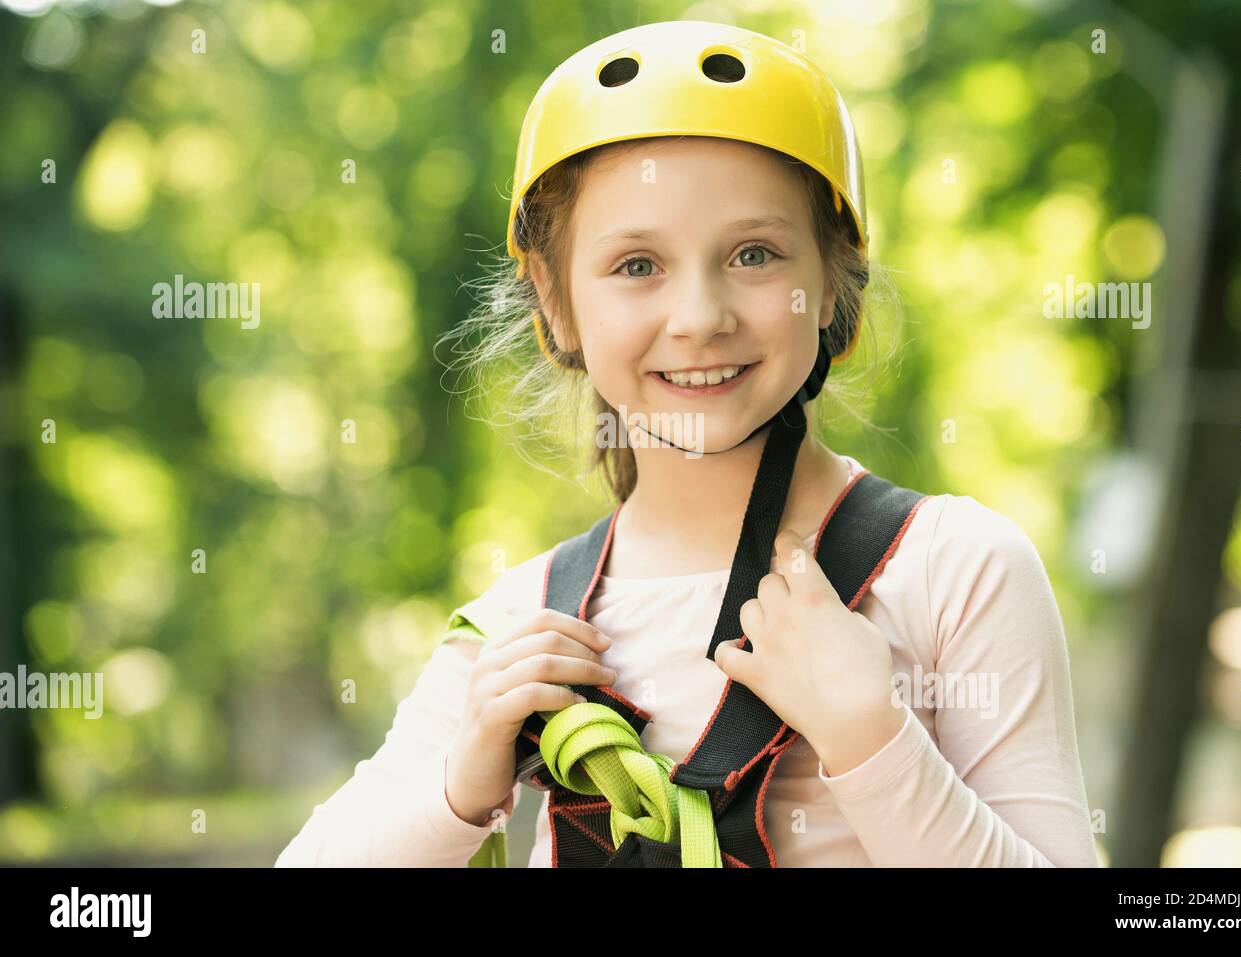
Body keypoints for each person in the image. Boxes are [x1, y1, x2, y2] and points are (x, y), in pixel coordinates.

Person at [277, 20, 1098, 868]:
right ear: (556, 306)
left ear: (830, 284)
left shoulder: (954, 571)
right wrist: (460, 787)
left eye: (754, 254)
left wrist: (872, 737)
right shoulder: (520, 630)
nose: (702, 316)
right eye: (637, 265)